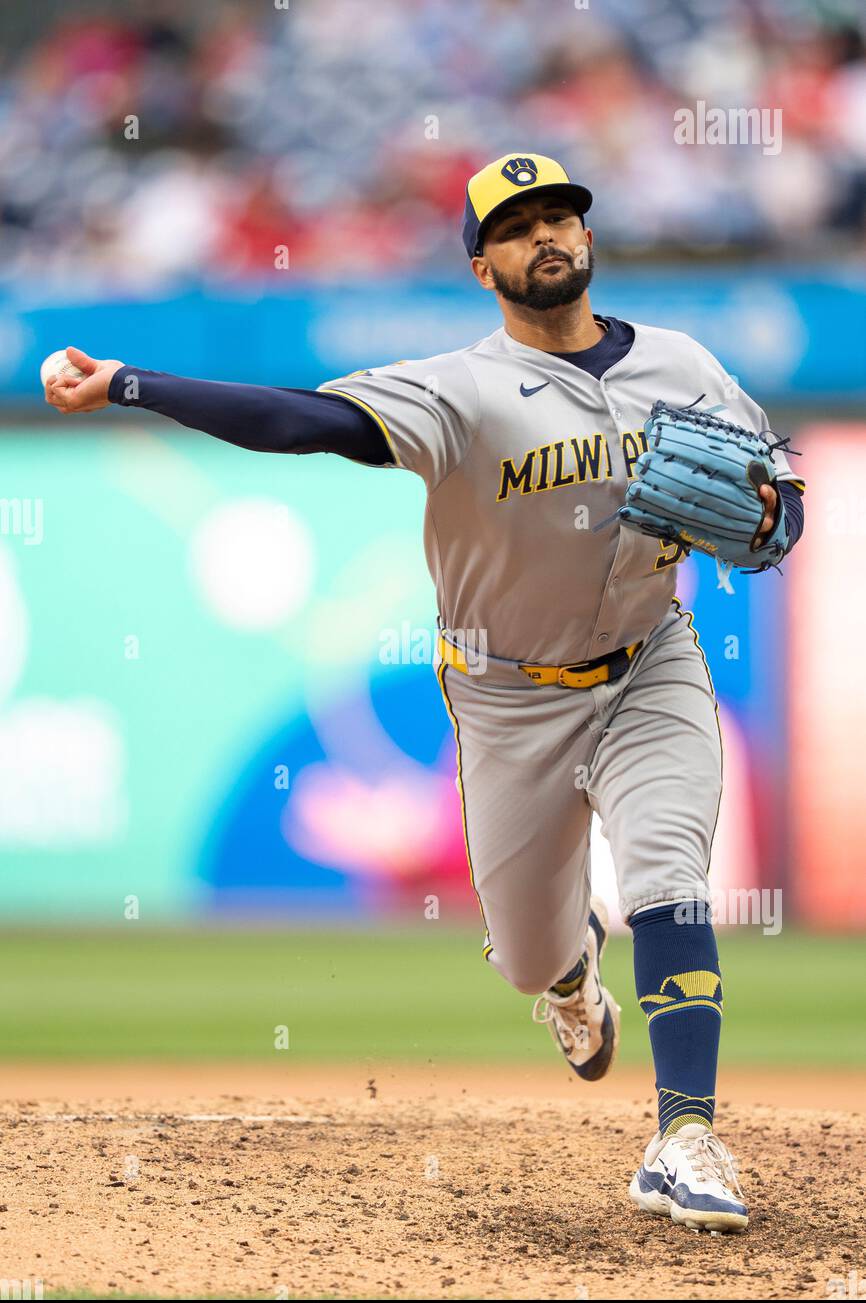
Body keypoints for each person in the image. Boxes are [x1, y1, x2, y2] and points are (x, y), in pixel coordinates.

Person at [45, 152, 805, 1234]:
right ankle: (565, 976)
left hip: (651, 662)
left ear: (585, 241)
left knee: (667, 874)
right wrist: (132, 381)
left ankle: (682, 1135)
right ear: (481, 265)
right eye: (515, 226)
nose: (544, 235)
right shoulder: (457, 387)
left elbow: (769, 487)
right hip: (507, 698)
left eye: (559, 217)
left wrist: (778, 515)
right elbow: (304, 422)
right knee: (530, 954)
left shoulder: (682, 363)